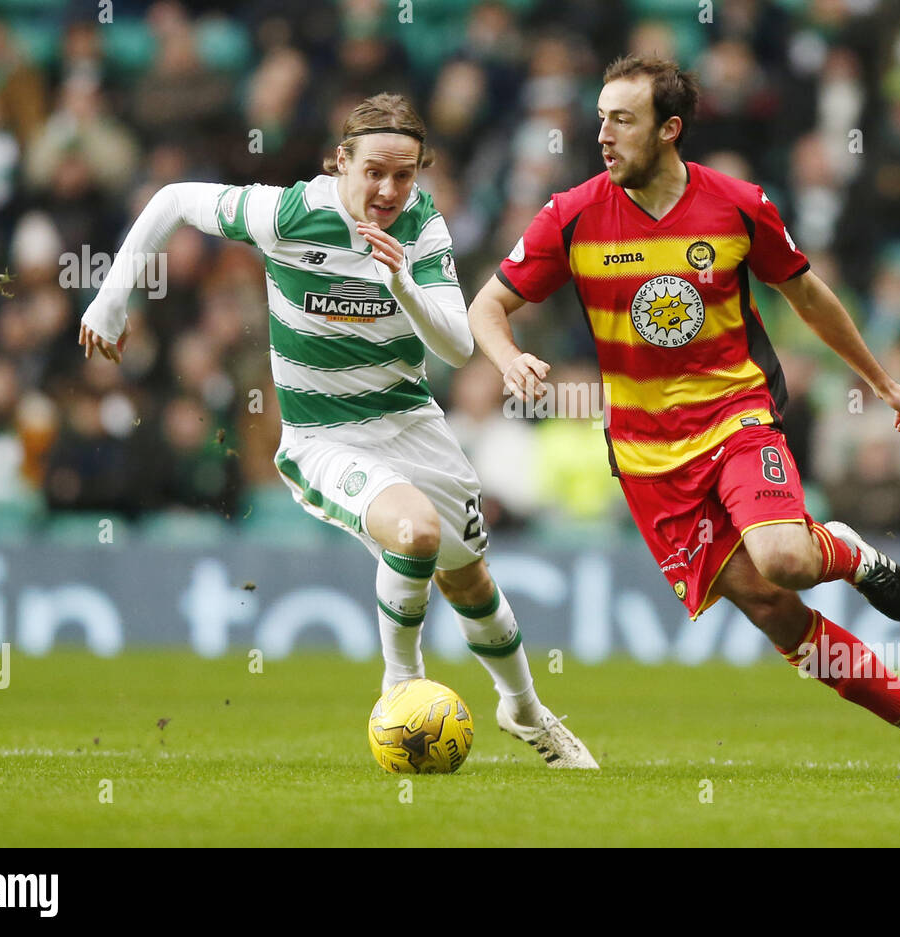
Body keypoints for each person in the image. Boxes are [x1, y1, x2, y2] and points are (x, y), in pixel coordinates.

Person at [469, 56, 900, 777]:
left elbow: (807, 296)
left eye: (623, 120)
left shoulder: (738, 205)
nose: (604, 136)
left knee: (786, 559)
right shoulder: (572, 214)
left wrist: (881, 380)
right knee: (774, 611)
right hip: (647, 458)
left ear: (670, 129)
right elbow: (487, 306)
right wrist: (507, 357)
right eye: (600, 119)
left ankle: (848, 553)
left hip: (735, 418)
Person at [78, 93, 596, 769]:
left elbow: (458, 347)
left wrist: (402, 281)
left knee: (469, 583)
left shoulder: (421, 225)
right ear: (341, 162)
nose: (388, 189)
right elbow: (173, 197)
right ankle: (401, 689)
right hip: (327, 438)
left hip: (412, 425)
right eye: (374, 171)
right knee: (413, 533)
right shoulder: (290, 212)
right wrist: (113, 299)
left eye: (404, 175)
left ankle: (524, 709)